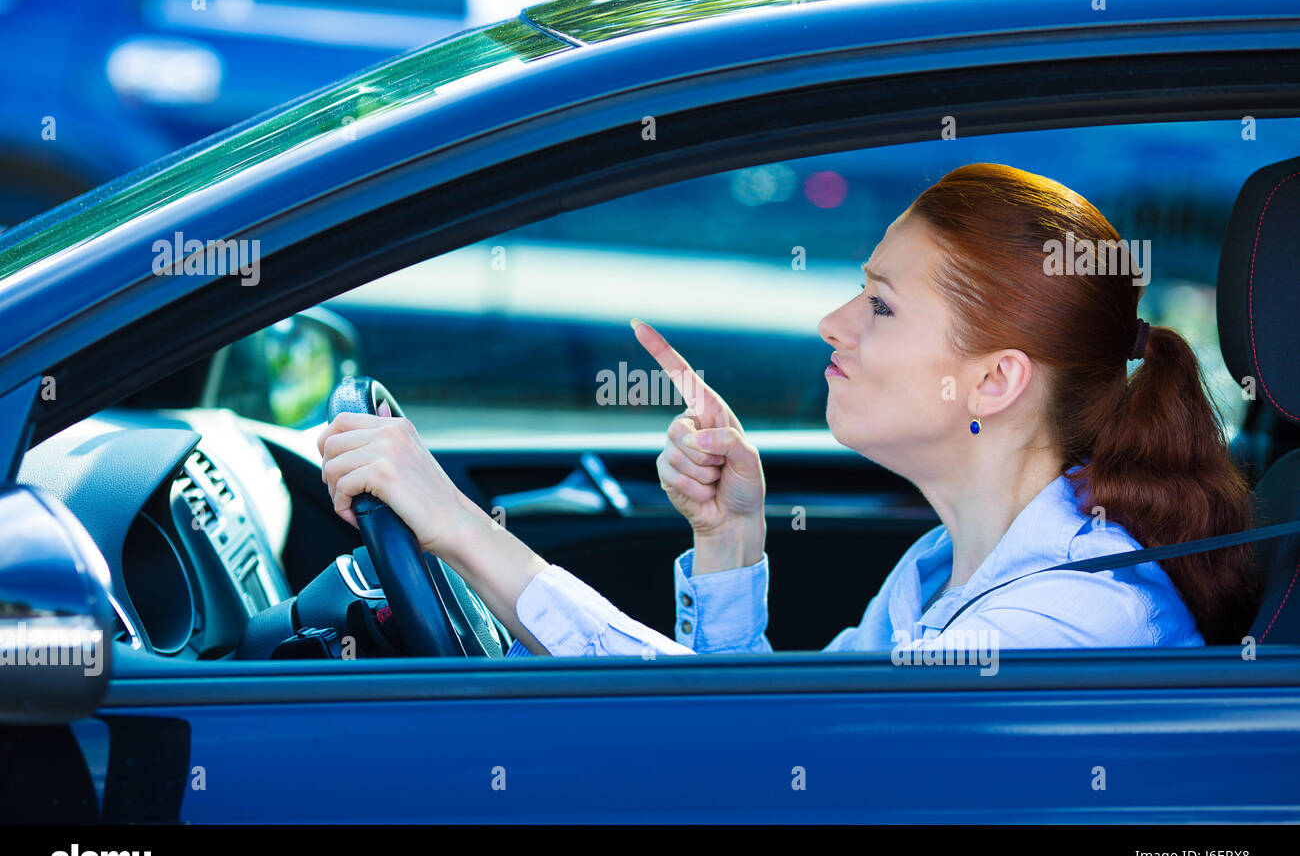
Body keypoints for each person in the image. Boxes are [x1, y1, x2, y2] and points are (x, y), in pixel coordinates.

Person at [316, 163, 1259, 657]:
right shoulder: (947, 567)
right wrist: (731, 542)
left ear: (994, 383)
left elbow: (733, 762)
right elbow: (768, 731)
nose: (830, 322)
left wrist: (460, 531)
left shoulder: (1054, 624)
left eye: (881, 305)